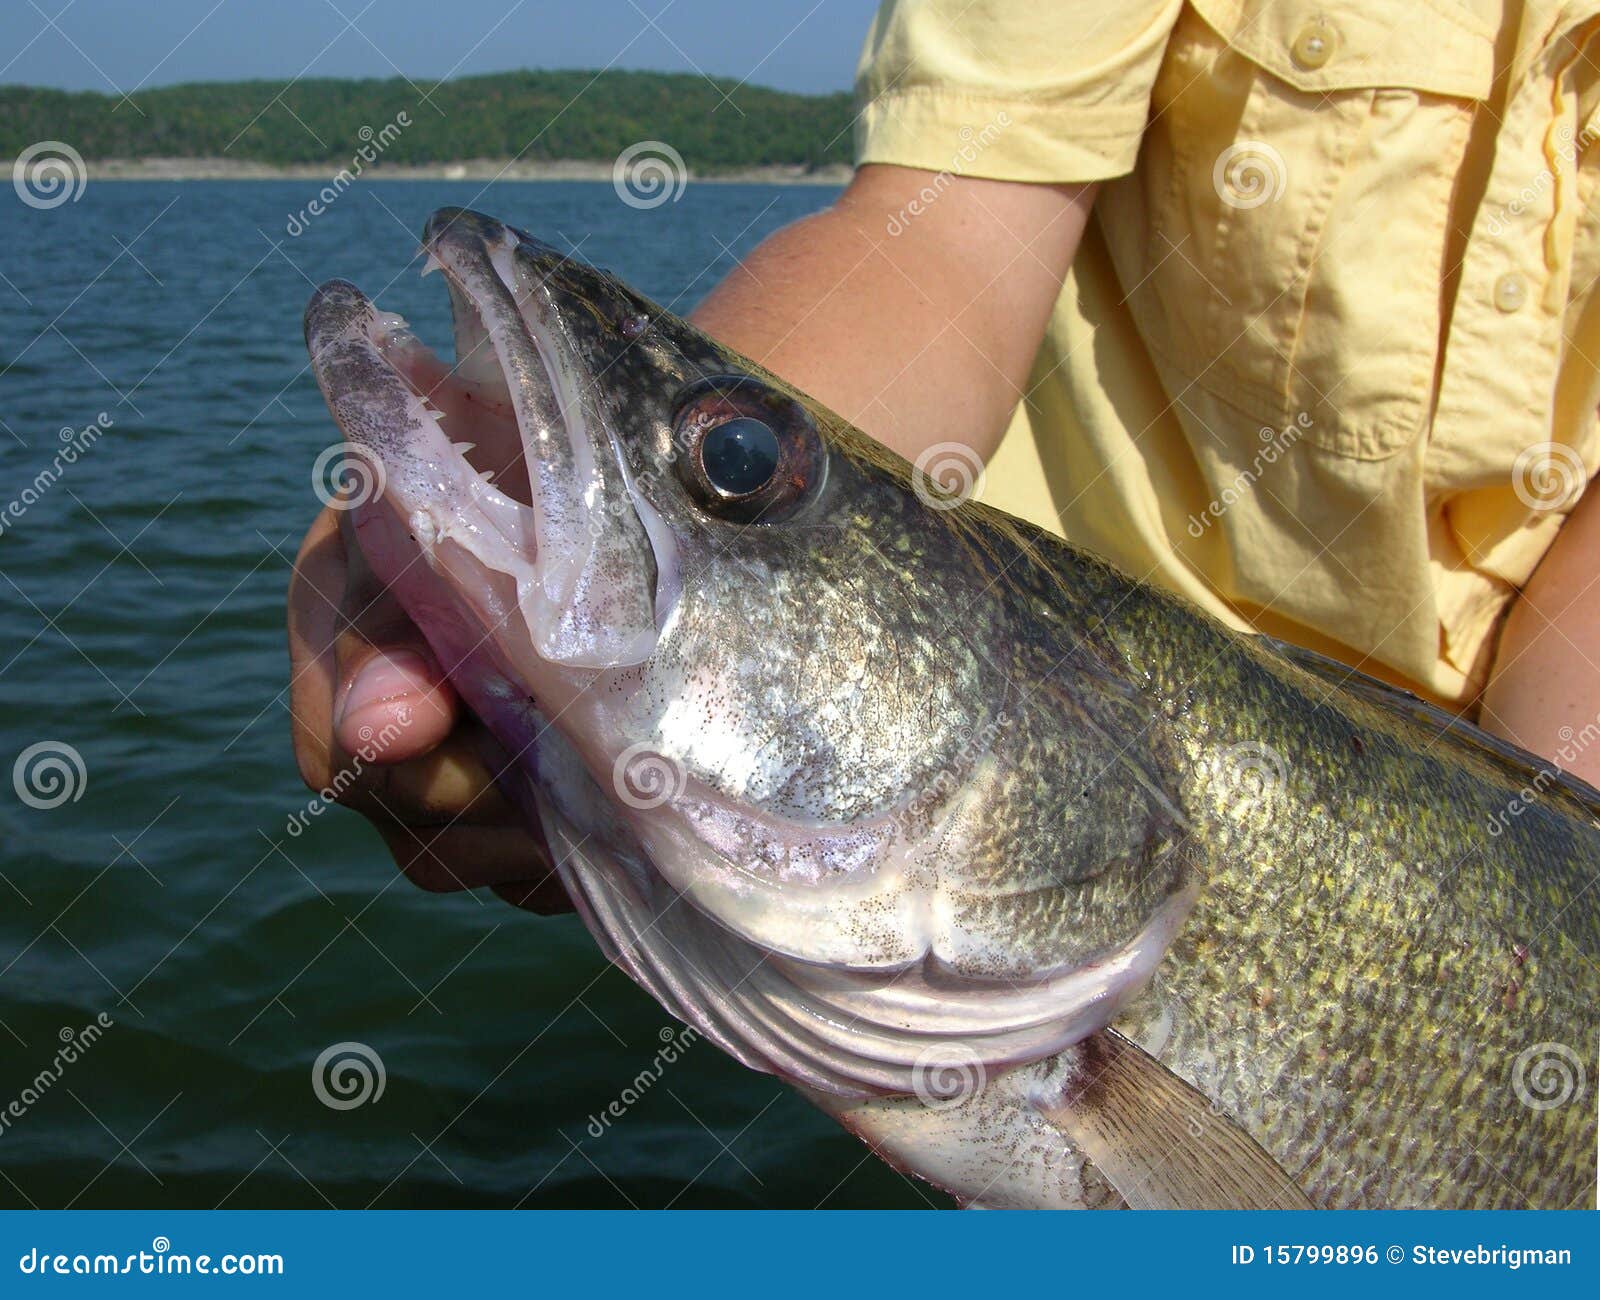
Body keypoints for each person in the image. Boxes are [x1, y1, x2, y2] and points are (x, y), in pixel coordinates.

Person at [288, 0, 1600, 908]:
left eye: (735, 468)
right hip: (1072, 765)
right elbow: (950, 229)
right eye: (739, 467)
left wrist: (1546, 868)